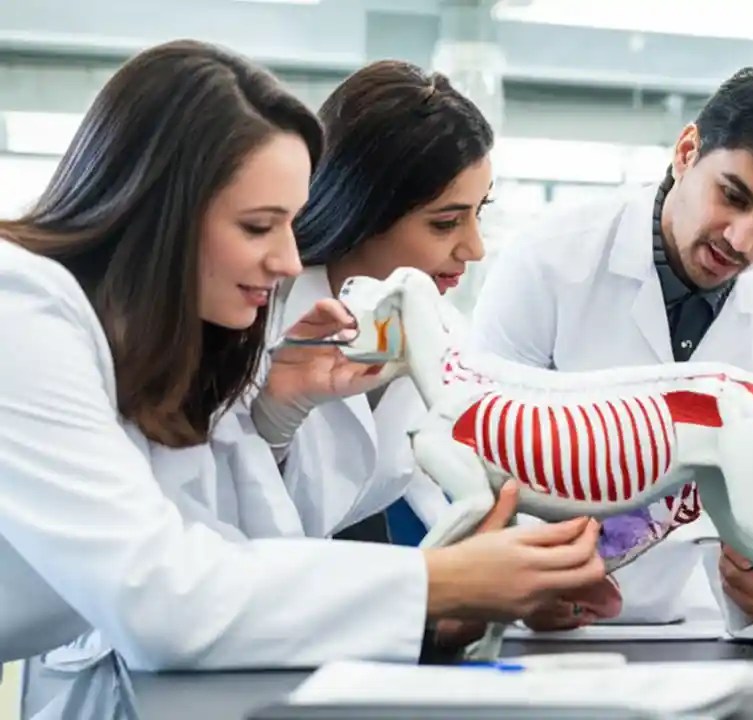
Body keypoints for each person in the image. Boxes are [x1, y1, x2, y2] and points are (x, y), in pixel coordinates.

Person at [0, 40, 605, 717]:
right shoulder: (19, 308)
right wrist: (437, 584)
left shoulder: (164, 335)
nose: (289, 259)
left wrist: (274, 421)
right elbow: (163, 597)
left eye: (290, 223)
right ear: (159, 208)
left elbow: (228, 554)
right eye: (259, 225)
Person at [467, 66, 753, 631]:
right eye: (732, 196)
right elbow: (476, 444)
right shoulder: (547, 262)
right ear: (687, 151)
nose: (742, 239)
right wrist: (508, 573)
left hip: (702, 621)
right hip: (539, 612)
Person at [266, 60, 624, 629]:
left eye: (479, 215)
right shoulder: (260, 320)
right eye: (445, 223)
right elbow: (227, 533)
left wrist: (529, 578)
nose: (475, 248)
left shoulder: (445, 335)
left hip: (323, 619)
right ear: (362, 210)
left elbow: (461, 500)